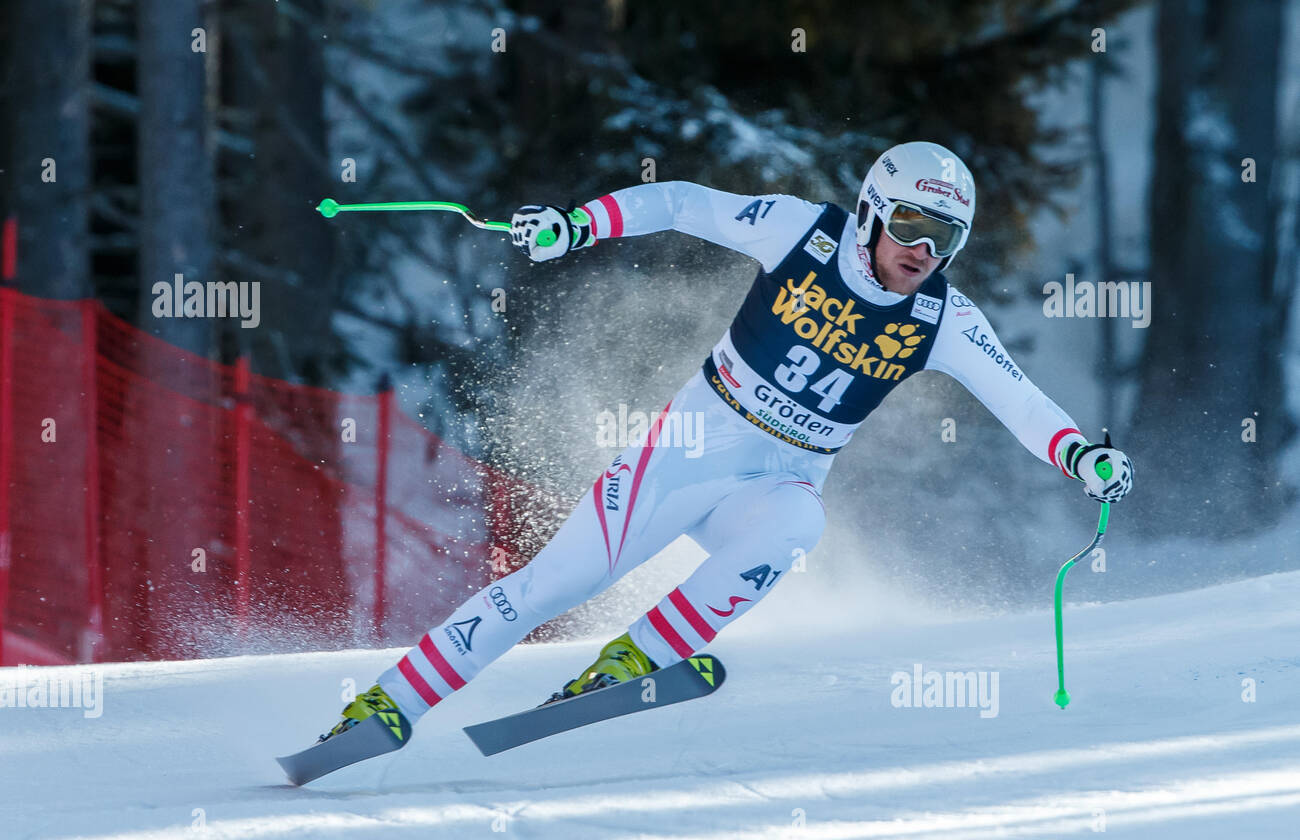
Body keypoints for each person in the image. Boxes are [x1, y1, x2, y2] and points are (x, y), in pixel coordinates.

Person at [312, 141, 1134, 744]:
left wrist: (1080, 456)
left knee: (799, 528)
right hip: (693, 445)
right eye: (913, 224)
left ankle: (633, 661)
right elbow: (678, 203)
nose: (924, 250)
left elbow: (1019, 400)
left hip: (782, 480)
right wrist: (576, 226)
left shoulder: (942, 317)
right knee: (556, 583)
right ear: (874, 210)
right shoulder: (798, 232)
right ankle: (389, 703)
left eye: (945, 238)